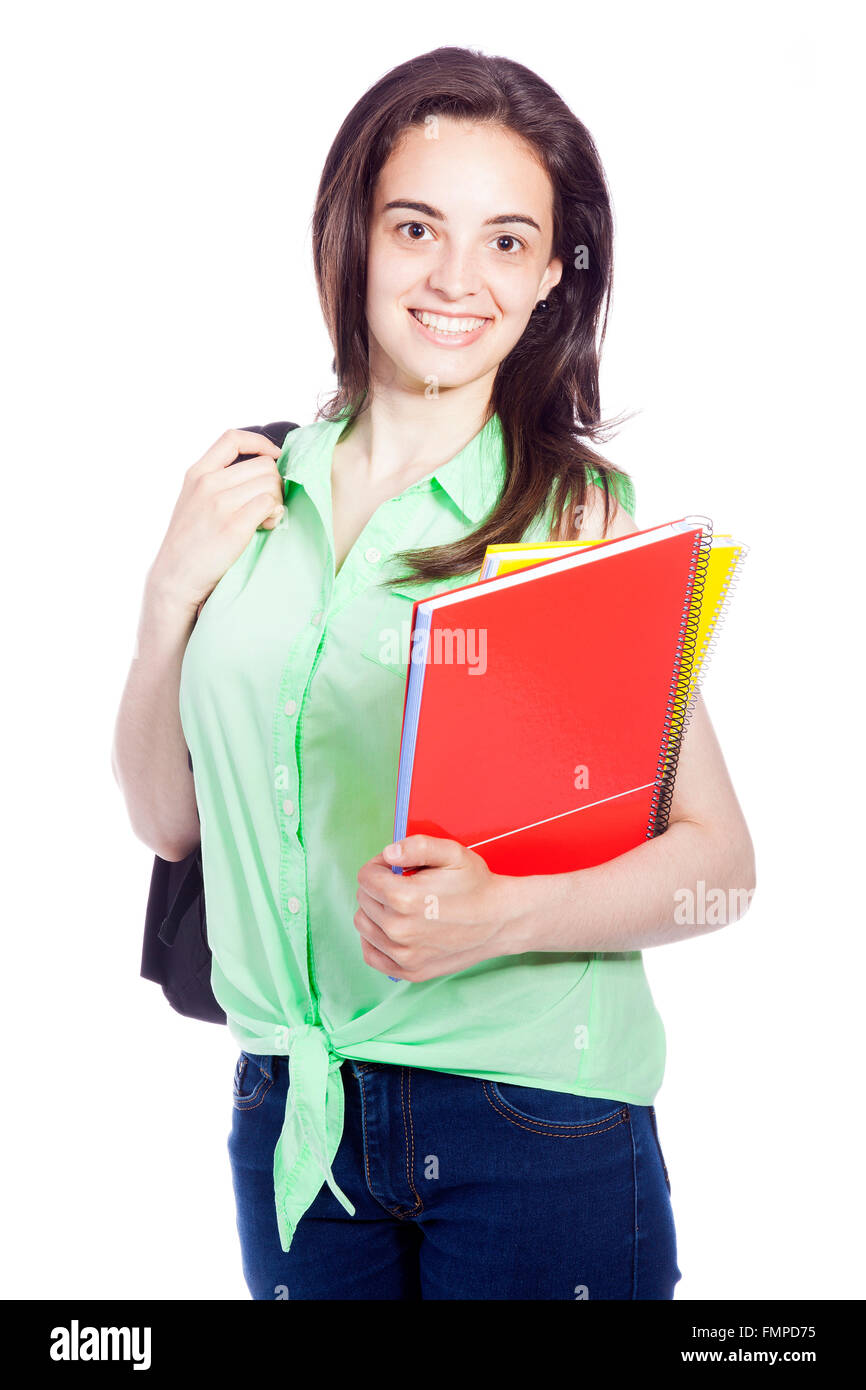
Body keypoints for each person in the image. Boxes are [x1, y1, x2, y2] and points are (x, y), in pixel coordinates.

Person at [112, 45, 755, 1300]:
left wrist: (498, 916)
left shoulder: (572, 520)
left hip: (529, 1115)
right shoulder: (246, 491)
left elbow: (717, 868)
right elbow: (169, 820)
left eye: (507, 242)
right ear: (351, 234)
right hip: (292, 1115)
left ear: (551, 281)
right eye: (417, 226)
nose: (455, 279)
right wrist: (165, 597)